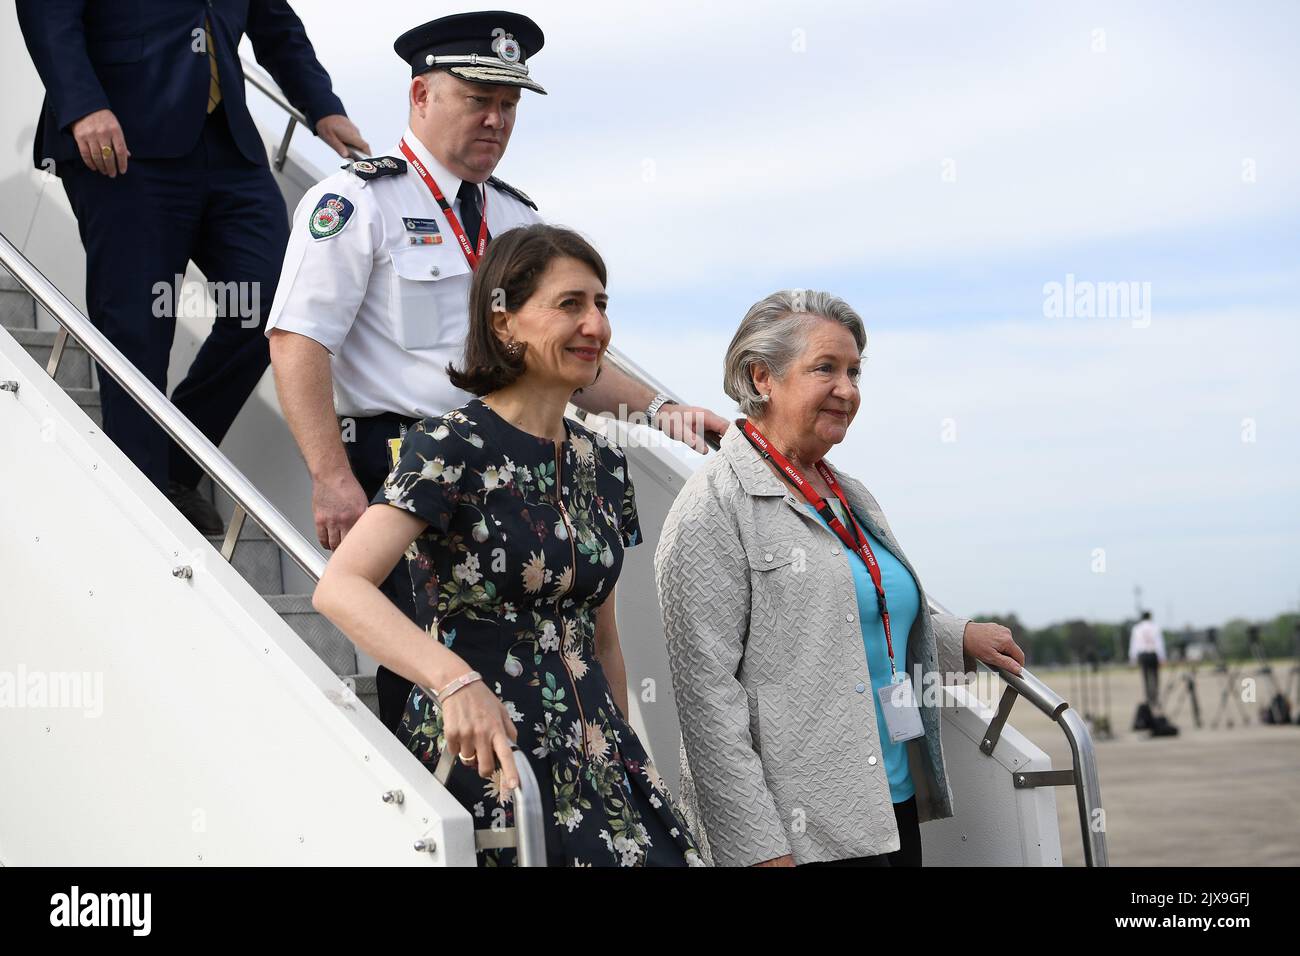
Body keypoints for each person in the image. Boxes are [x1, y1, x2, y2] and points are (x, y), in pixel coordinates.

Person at [266, 10, 727, 733]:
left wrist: (663, 410)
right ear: (420, 96)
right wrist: (331, 477)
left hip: (518, 465)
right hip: (407, 463)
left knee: (545, 655)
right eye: (478, 99)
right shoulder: (357, 201)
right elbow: (299, 341)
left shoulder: (515, 220)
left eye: (508, 104)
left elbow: (566, 360)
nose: (496, 119)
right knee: (424, 670)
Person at [312, 224, 703, 866]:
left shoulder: (603, 463)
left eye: (601, 305)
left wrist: (623, 754)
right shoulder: (448, 444)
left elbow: (603, 639)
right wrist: (452, 680)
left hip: (597, 748)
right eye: (570, 304)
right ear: (505, 323)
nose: (595, 325)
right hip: (489, 750)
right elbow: (341, 587)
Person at [655, 290, 1027, 867]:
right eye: (824, 368)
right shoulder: (713, 505)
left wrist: (955, 638)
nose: (848, 390)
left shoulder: (849, 493)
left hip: (889, 805)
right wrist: (756, 850)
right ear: (762, 378)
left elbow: (855, 603)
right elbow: (707, 703)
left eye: (854, 371)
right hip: (799, 836)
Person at [16, 0, 369, 534]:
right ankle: (141, 498)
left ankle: (171, 464)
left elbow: (276, 27)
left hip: (228, 148)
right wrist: (83, 104)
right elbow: (49, 12)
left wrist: (322, 106)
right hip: (121, 139)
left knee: (275, 303)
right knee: (137, 325)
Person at [1129, 610, 1166, 708]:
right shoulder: (1155, 627)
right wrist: (1162, 657)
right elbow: (1159, 643)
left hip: (1143, 655)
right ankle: (1155, 698)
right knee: (1155, 677)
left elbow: (1134, 644)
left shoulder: (1137, 628)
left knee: (1145, 678)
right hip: (1153, 654)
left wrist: (1133, 658)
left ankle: (1148, 698)